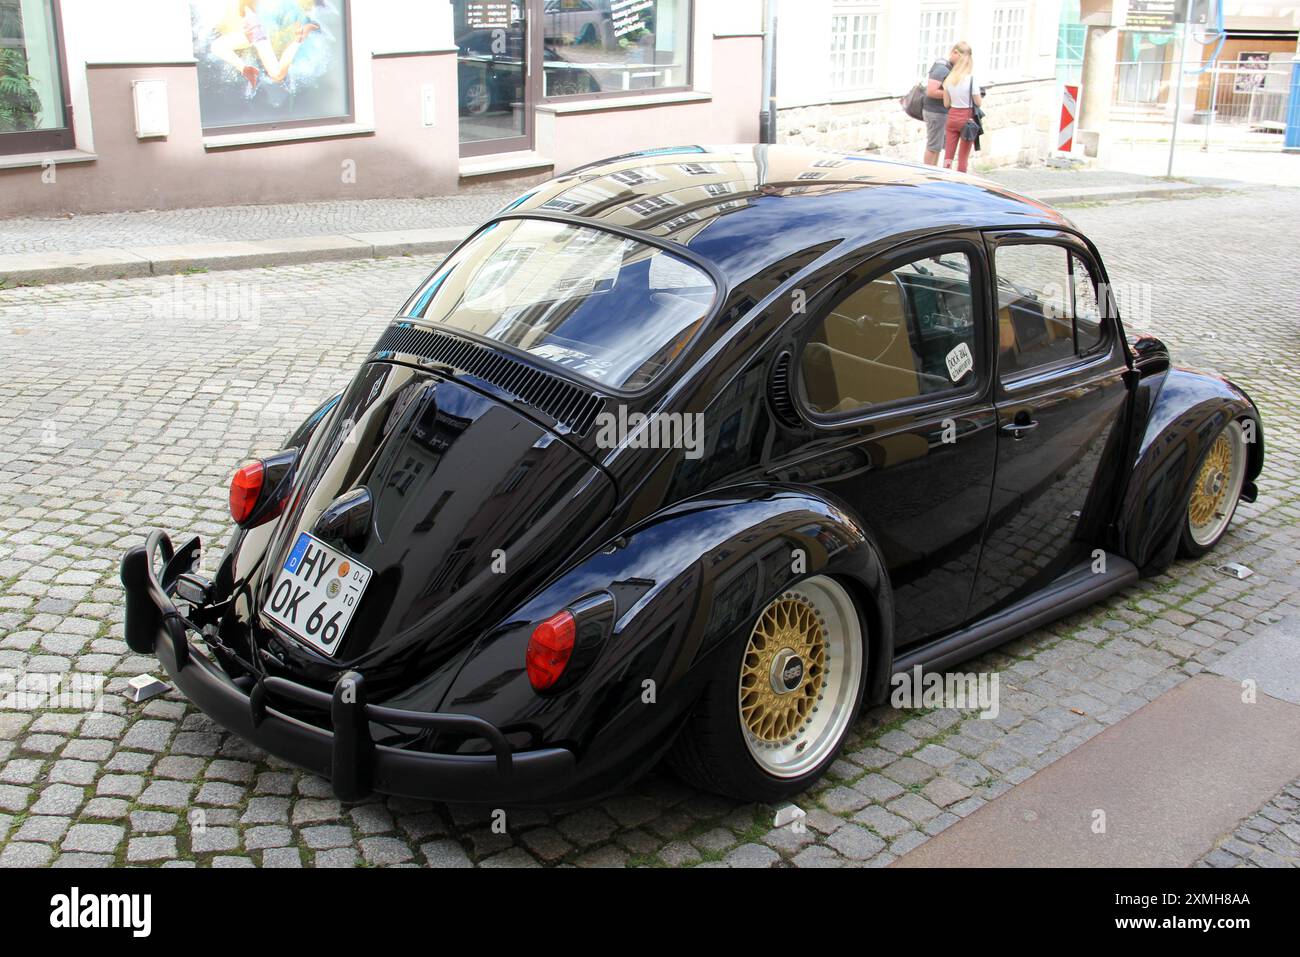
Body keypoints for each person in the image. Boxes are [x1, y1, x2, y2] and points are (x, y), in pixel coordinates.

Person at [942, 41, 982, 173]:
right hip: (966, 119)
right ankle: (961, 181)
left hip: (952, 116)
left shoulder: (949, 79)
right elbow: (978, 102)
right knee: (963, 157)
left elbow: (946, 104)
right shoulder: (971, 80)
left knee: (948, 155)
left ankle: (945, 176)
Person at [921, 47, 954, 166]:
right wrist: (953, 94)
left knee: (937, 147)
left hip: (940, 112)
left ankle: (933, 172)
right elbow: (931, 91)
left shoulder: (949, 68)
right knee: (933, 146)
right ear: (955, 53)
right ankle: (927, 173)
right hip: (935, 112)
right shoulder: (941, 68)